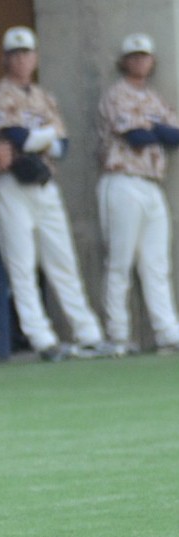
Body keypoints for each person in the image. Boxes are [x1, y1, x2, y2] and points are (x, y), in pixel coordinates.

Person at [0, 26, 112, 360]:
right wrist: (43, 138)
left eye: (26, 53)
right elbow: (16, 137)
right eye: (15, 54)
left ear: (35, 57)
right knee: (23, 264)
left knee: (64, 260)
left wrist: (35, 140)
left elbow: (63, 146)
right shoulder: (0, 93)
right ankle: (42, 339)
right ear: (5, 59)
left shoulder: (45, 97)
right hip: (13, 185)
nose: (21, 59)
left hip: (44, 184)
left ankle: (88, 333)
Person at [96, 33, 179, 354]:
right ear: (124, 61)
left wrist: (154, 128)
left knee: (157, 264)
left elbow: (174, 136)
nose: (139, 61)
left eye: (144, 56)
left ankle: (167, 331)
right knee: (120, 261)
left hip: (152, 184)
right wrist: (157, 130)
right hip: (122, 180)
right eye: (134, 56)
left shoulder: (155, 99)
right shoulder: (117, 94)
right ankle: (118, 334)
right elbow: (137, 137)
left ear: (152, 60)